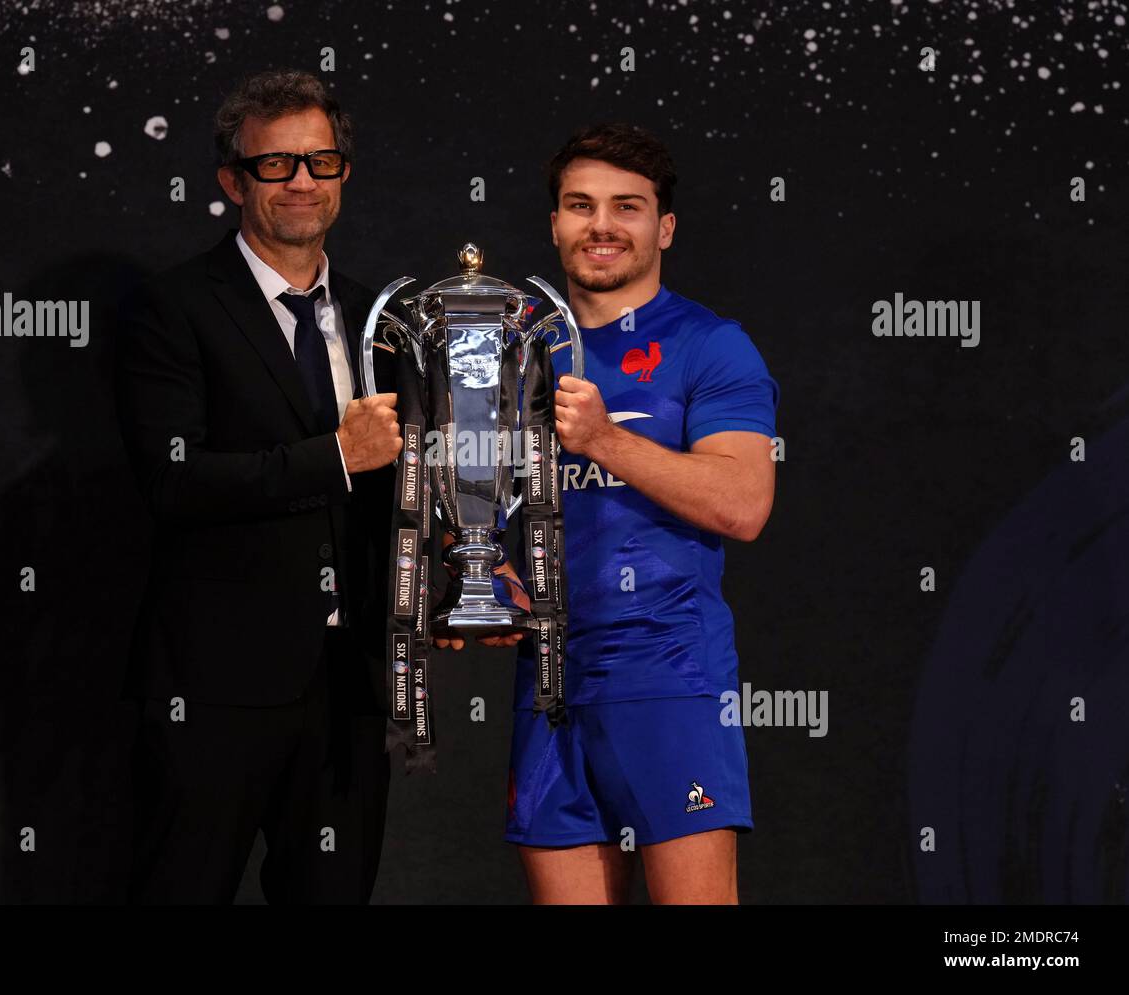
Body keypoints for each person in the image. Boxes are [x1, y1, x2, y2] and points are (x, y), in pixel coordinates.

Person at [437, 122, 779, 904]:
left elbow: (744, 502)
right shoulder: (506, 348)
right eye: (580, 205)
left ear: (664, 227)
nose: (601, 225)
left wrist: (603, 440)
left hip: (668, 674)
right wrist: (482, 563)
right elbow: (469, 487)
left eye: (627, 207)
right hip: (547, 679)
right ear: (554, 223)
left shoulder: (711, 345)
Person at [114, 69, 400, 904]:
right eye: (275, 165)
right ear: (232, 182)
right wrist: (336, 456)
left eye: (321, 160)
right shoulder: (172, 308)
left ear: (345, 171)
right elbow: (174, 477)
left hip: (350, 685)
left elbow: (402, 484)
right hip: (213, 689)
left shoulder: (380, 316)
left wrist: (453, 571)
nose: (302, 180)